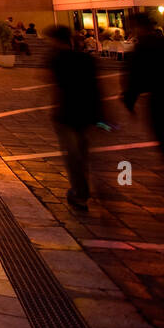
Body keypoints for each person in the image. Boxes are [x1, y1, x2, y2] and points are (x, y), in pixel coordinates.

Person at [123, 14, 164, 218]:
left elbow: (136, 78)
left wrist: (129, 101)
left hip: (163, 103)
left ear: (137, 27)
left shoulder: (143, 48)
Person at [46, 25, 101, 212]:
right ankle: (84, 189)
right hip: (87, 111)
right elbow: (97, 86)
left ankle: (80, 192)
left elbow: (53, 85)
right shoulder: (86, 59)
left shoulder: (56, 59)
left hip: (66, 113)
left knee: (73, 155)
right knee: (82, 152)